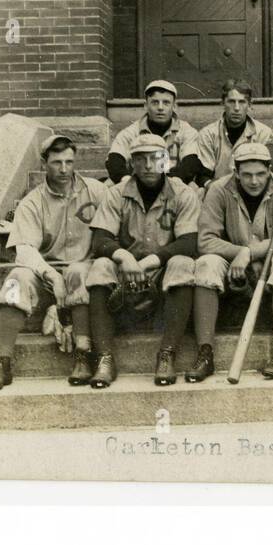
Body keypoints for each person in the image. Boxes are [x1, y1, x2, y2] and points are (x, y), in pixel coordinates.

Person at [0, 133, 105, 392]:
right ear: (43, 163)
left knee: (77, 271)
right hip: (48, 273)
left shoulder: (95, 190)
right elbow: (25, 249)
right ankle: (2, 361)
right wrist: (51, 275)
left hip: (84, 270)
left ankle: (83, 355)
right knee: (17, 279)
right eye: (56, 163)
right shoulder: (32, 202)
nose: (64, 169)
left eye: (69, 162)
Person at [86, 133, 200, 389]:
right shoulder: (116, 193)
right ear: (132, 164)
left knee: (182, 263)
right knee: (100, 266)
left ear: (167, 162)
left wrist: (151, 261)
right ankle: (104, 357)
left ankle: (167, 353)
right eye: (141, 159)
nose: (149, 165)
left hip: (160, 271)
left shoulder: (182, 193)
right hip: (126, 274)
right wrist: (124, 256)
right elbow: (100, 239)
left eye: (155, 158)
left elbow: (189, 242)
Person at [194, 142, 273, 381]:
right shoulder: (219, 189)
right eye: (247, 175)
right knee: (206, 264)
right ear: (236, 172)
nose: (254, 181)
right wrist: (241, 253)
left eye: (261, 174)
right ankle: (205, 352)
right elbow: (206, 241)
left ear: (269, 170)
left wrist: (250, 253)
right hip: (231, 261)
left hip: (269, 259)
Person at [177, 79, 272, 186]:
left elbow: (267, 173)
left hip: (252, 190)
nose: (236, 108)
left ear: (250, 104)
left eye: (242, 102)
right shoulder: (209, 134)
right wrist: (214, 189)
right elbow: (203, 175)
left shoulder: (263, 133)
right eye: (231, 102)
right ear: (222, 103)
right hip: (217, 190)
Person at [105, 79, 197, 185]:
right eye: (155, 103)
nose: (160, 108)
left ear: (174, 106)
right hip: (139, 184)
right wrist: (126, 179)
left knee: (194, 188)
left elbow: (191, 162)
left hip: (174, 183)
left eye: (166, 103)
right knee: (108, 184)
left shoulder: (186, 131)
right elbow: (114, 158)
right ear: (145, 105)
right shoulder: (131, 131)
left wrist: (173, 181)